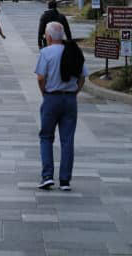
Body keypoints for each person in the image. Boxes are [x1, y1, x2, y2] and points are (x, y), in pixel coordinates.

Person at [35, 21, 87, 191]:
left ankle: (47, 176)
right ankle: (65, 180)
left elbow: (41, 78)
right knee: (67, 140)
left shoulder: (46, 52)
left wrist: (45, 93)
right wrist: (74, 92)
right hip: (70, 99)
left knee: (46, 137)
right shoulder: (73, 51)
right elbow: (82, 77)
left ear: (48, 37)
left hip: (52, 97)